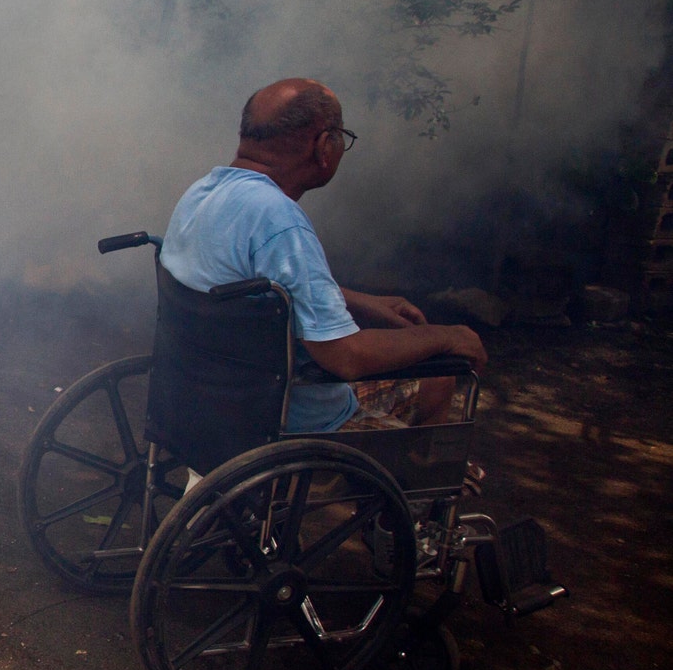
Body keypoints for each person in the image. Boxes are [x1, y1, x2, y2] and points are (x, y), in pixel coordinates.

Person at [159, 78, 486, 432]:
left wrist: (358, 300)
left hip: (210, 402)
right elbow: (344, 356)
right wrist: (446, 336)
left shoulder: (204, 192)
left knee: (432, 374)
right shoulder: (279, 221)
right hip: (292, 421)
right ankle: (417, 483)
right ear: (324, 146)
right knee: (440, 369)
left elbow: (249, 286)